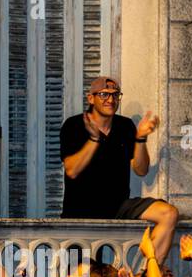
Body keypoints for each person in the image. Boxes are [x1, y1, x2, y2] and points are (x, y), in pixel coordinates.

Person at [60, 76, 177, 260]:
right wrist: (94, 140)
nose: (111, 100)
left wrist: (140, 138)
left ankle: (146, 276)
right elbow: (72, 170)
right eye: (104, 95)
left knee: (168, 213)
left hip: (118, 206)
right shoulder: (74, 125)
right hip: (81, 211)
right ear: (91, 98)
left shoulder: (125, 126)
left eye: (115, 95)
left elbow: (141, 170)